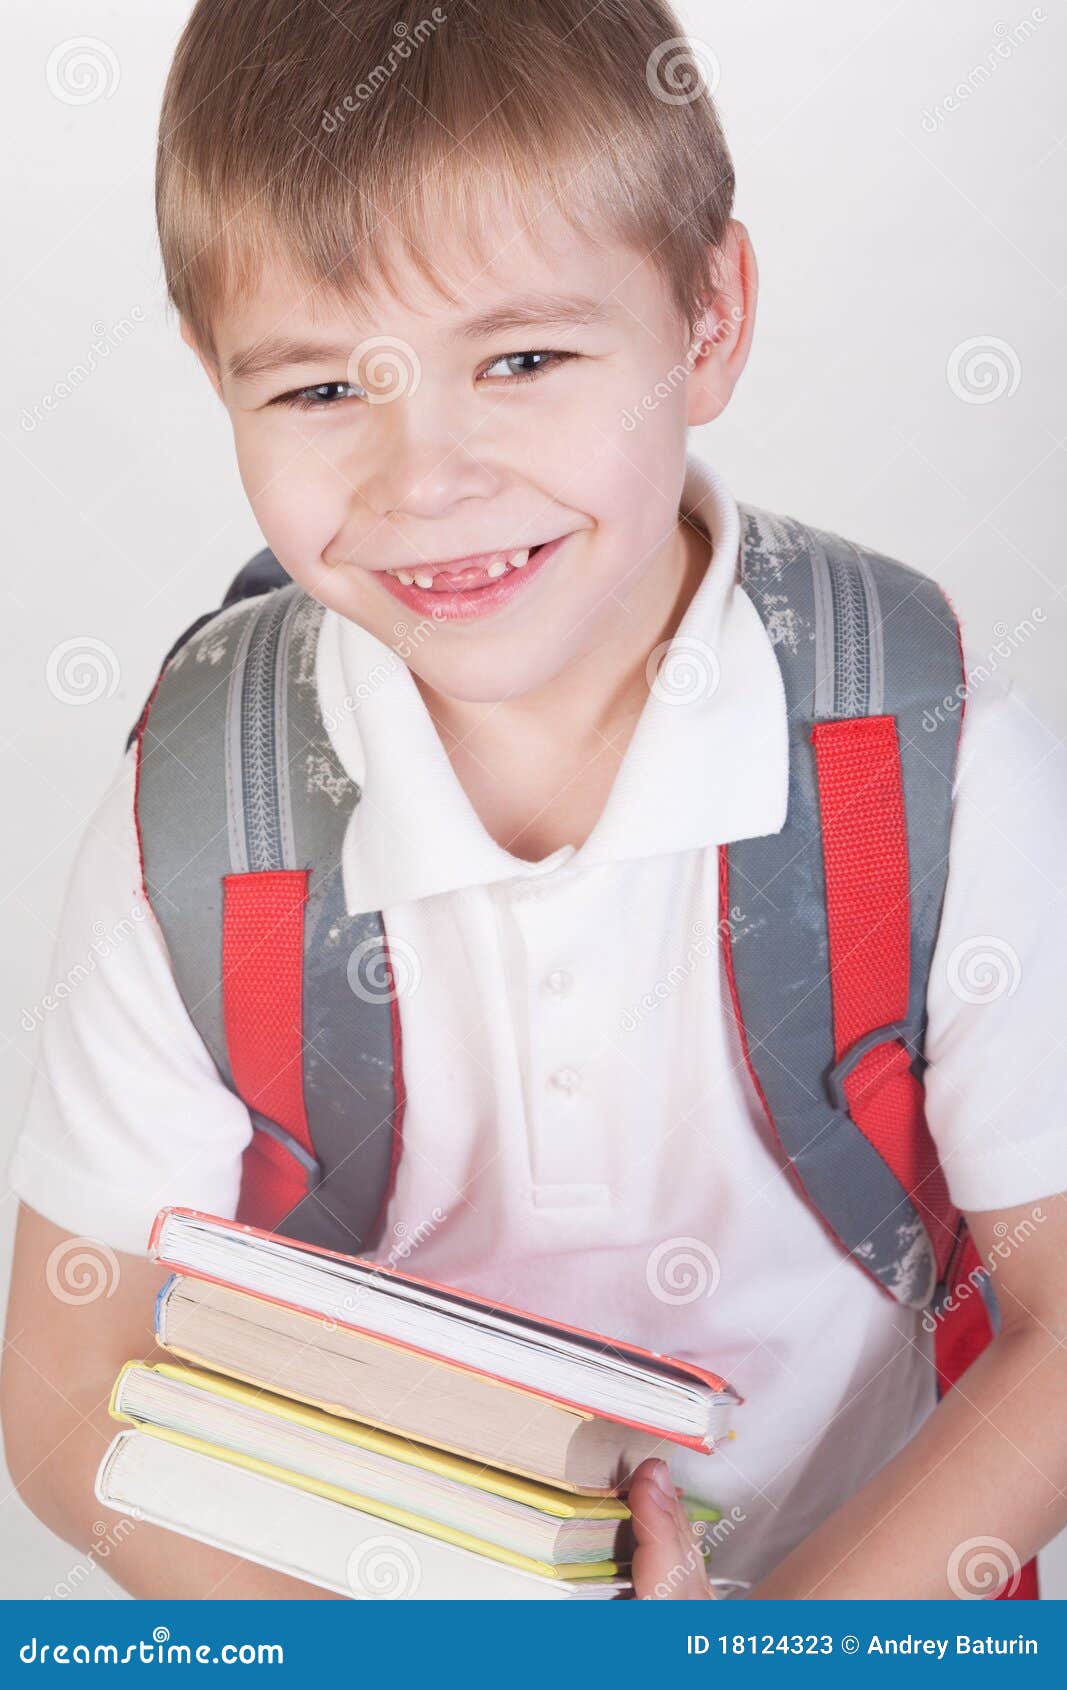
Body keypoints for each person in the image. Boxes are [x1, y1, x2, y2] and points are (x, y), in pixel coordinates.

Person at [4, 0, 1066, 1602]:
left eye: (522, 358)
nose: (426, 479)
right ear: (215, 378)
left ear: (708, 317)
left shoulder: (935, 747)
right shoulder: (204, 799)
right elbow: (67, 1382)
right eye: (319, 390)